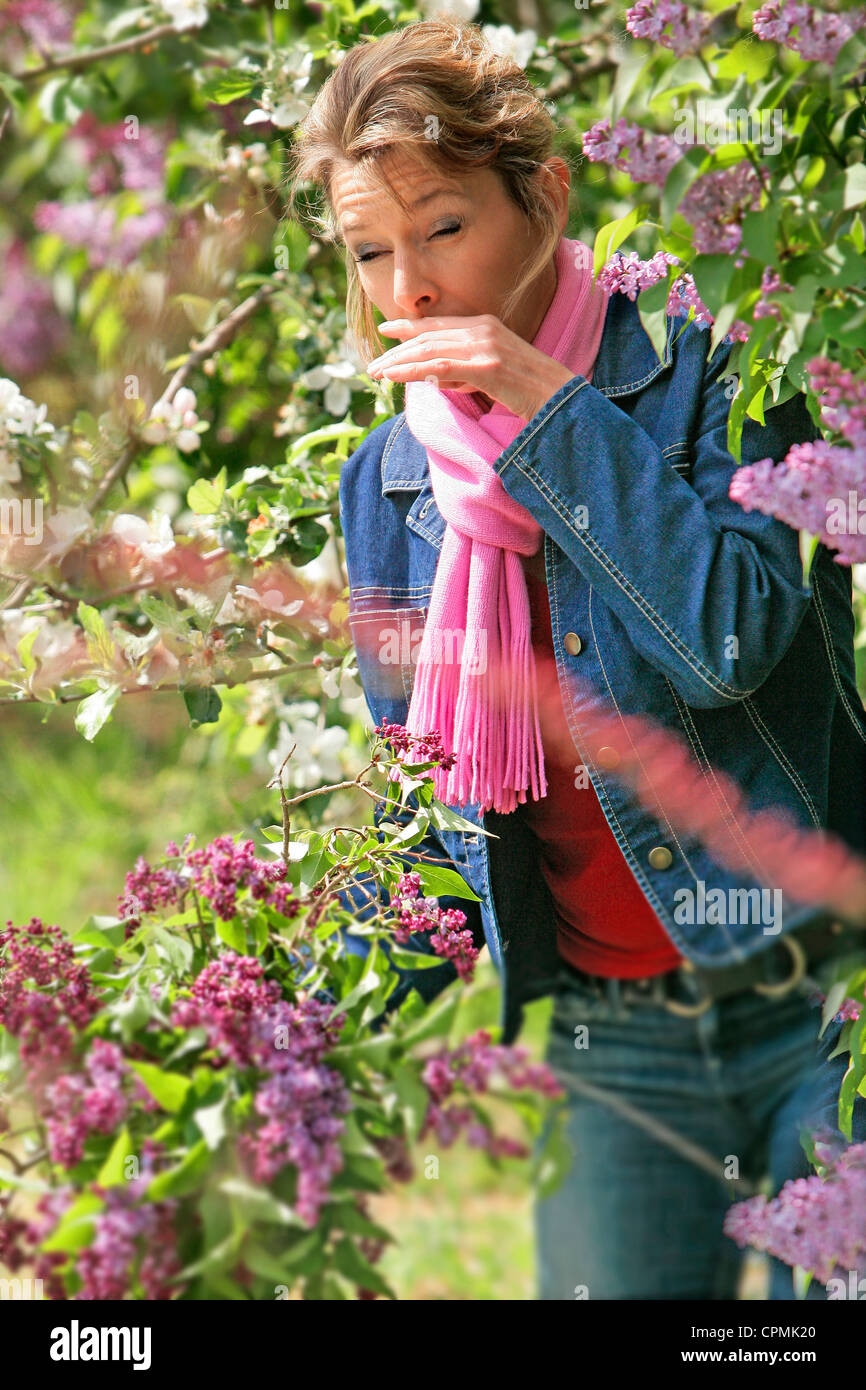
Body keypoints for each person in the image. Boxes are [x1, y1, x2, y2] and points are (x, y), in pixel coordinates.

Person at [288, 15, 866, 1300]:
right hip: (613, 1046)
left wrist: (548, 410)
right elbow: (426, 795)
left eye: (440, 228)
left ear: (540, 196)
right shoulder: (387, 482)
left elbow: (728, 638)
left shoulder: (715, 358)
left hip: (824, 1012)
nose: (408, 291)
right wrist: (285, 1018)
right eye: (368, 251)